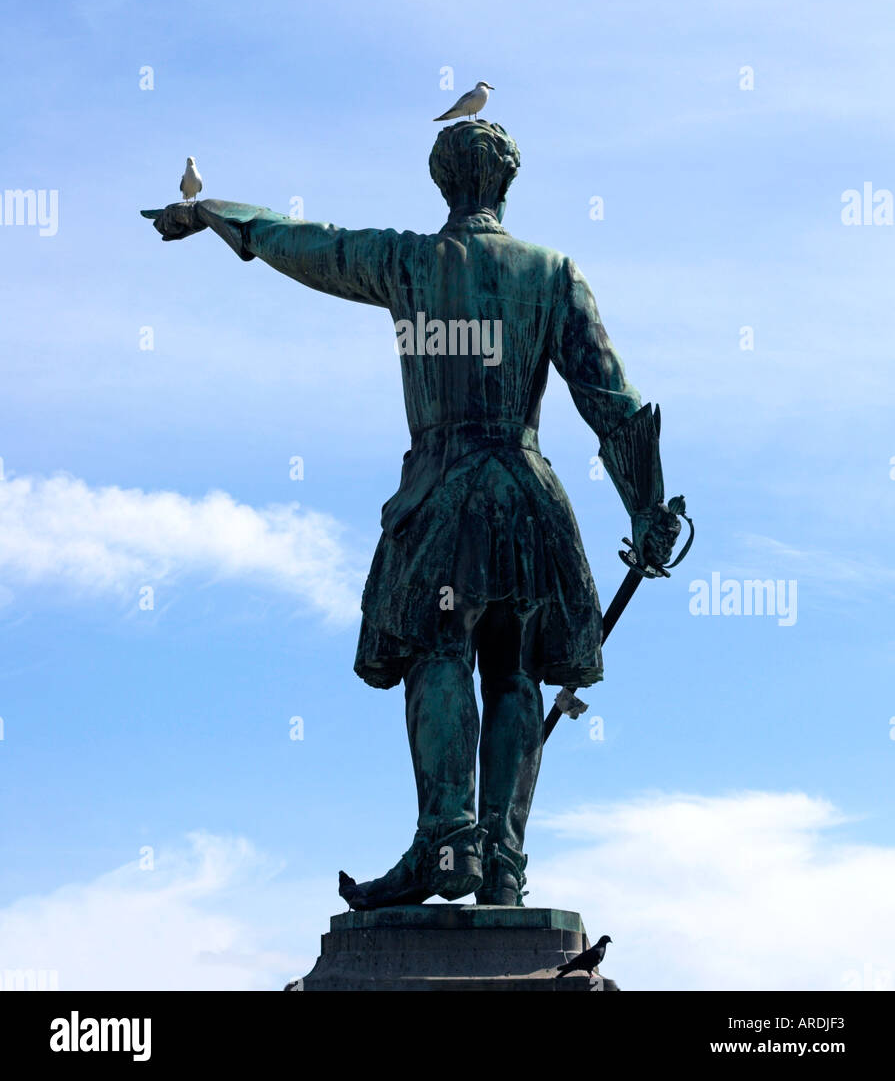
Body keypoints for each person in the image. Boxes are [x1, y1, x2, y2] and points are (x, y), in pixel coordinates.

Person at [146, 120, 680, 908]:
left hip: (443, 490)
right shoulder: (553, 271)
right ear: (505, 184)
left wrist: (211, 212)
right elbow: (611, 399)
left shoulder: (405, 261)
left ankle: (449, 840)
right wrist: (645, 509)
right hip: (528, 495)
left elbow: (303, 242)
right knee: (515, 670)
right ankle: (501, 861)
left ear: (442, 183)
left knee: (438, 654)